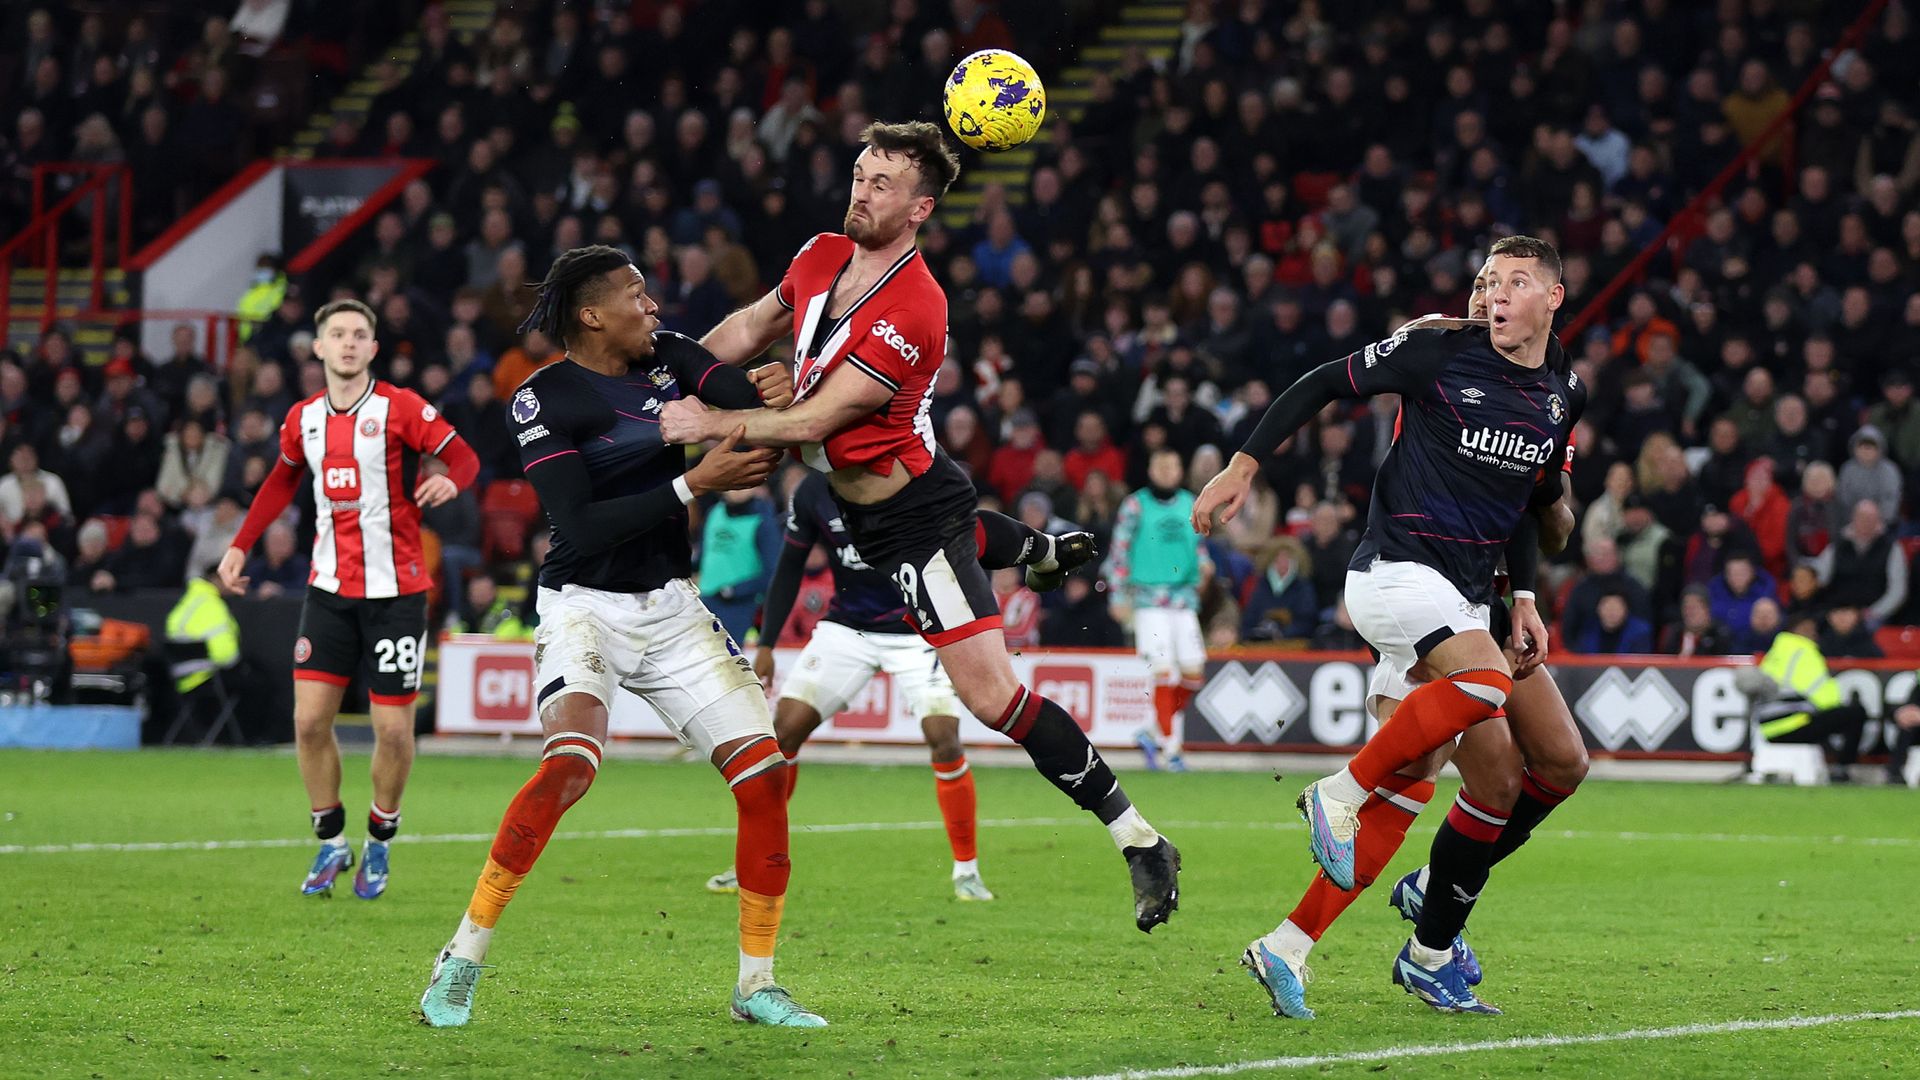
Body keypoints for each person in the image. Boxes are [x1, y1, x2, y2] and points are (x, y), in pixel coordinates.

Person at [671, 120, 1181, 934]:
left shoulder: (918, 305)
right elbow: (745, 327)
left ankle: (1140, 839)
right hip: (875, 510)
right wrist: (674, 377)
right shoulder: (818, 255)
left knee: (991, 699)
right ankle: (1038, 550)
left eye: (881, 185)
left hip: (914, 520)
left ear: (920, 209)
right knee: (959, 571)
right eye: (859, 174)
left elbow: (814, 425)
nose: (861, 193)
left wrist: (704, 418)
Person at [417, 245, 822, 1030]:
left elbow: (751, 413)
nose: (657, 310)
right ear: (593, 314)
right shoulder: (543, 399)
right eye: (640, 297)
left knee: (766, 779)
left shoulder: (670, 358)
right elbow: (578, 523)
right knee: (569, 766)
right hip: (583, 604)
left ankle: (756, 984)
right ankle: (462, 956)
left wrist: (781, 388)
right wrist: (690, 481)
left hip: (672, 608)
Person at [1196, 236, 1583, 1012]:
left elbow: (1529, 507)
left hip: (1471, 602)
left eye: (1510, 282)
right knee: (1475, 697)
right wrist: (1243, 465)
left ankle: (1298, 945)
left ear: (1552, 296)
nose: (1492, 294)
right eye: (1483, 280)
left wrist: (1530, 596)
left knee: (1544, 767)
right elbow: (1320, 383)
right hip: (1401, 576)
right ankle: (1342, 799)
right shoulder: (1436, 352)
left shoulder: (1560, 390)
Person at [219, 299, 479, 900]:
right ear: (317, 347)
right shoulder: (302, 418)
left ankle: (380, 840)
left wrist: (448, 478)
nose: (347, 343)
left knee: (392, 731)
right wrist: (240, 545)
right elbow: (281, 481)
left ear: (372, 348)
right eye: (336, 333)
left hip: (396, 594)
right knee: (309, 721)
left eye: (358, 334)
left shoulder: (401, 407)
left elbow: (464, 457)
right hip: (329, 590)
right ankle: (332, 840)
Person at [704, 471, 993, 902]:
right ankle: (755, 856)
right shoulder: (813, 491)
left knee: (944, 738)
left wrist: (972, 629)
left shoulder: (908, 474)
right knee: (781, 735)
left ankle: (967, 871)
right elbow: (788, 566)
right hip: (847, 628)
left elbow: (960, 555)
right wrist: (766, 644)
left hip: (919, 629)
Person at [1106, 447, 1211, 771]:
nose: (1167, 471)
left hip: (1183, 600)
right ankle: (1171, 749)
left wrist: (1205, 567)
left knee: (1193, 672)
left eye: (1173, 465)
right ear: (1151, 470)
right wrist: (1117, 596)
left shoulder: (1190, 503)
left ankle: (1152, 732)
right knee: (1163, 669)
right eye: (1161, 466)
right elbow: (1119, 550)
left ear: (1180, 470)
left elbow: (1198, 545)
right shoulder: (1136, 505)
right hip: (1147, 599)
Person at [1746, 610, 1870, 783]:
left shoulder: (1775, 652)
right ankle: (1843, 769)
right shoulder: (1806, 651)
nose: (1814, 634)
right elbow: (1825, 698)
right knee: (1855, 713)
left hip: (1768, 729)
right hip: (1794, 724)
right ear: (1800, 630)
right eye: (1810, 629)